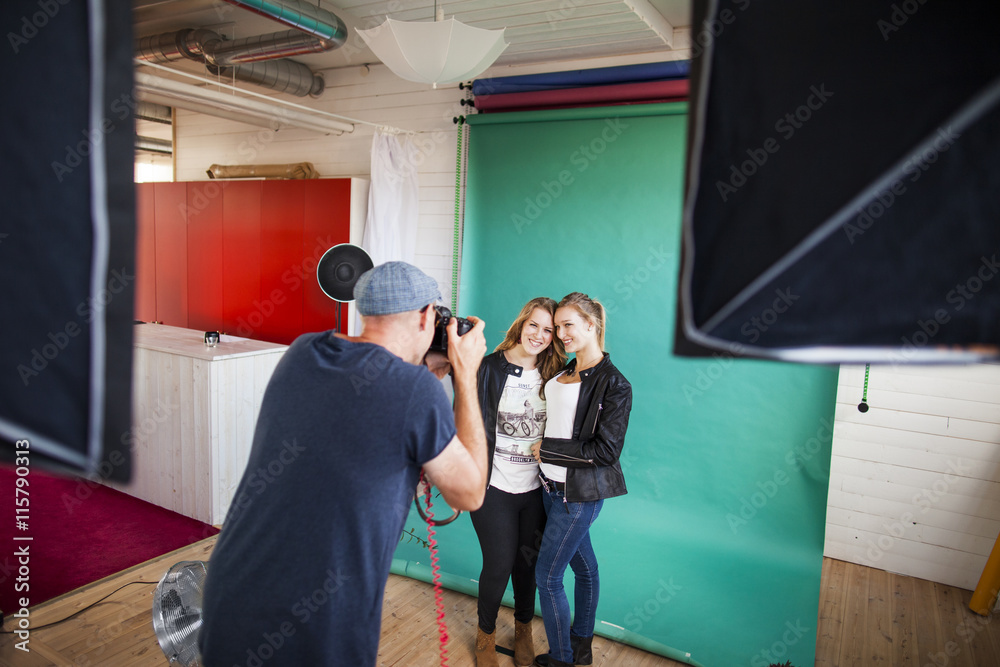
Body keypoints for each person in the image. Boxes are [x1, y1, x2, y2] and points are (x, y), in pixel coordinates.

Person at [198, 261, 488, 667]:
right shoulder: (415, 391)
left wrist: (432, 366)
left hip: (231, 597)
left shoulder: (302, 352)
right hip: (318, 625)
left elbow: (362, 409)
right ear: (427, 315)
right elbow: (470, 492)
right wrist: (467, 373)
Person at [529, 292, 632, 667]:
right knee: (585, 569)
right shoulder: (563, 372)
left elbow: (606, 451)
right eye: (557, 327)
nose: (560, 334)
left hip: (578, 496)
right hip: (548, 489)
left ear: (592, 325)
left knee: (548, 577)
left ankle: (562, 659)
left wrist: (548, 450)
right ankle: (582, 645)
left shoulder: (614, 384)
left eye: (568, 325)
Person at [471, 297, 566, 667]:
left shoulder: (558, 373)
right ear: (521, 323)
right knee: (497, 565)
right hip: (492, 486)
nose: (539, 335)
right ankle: (485, 637)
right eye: (534, 325)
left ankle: (523, 630)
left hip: (537, 491)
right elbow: (465, 422)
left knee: (528, 567)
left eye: (548, 330)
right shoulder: (487, 368)